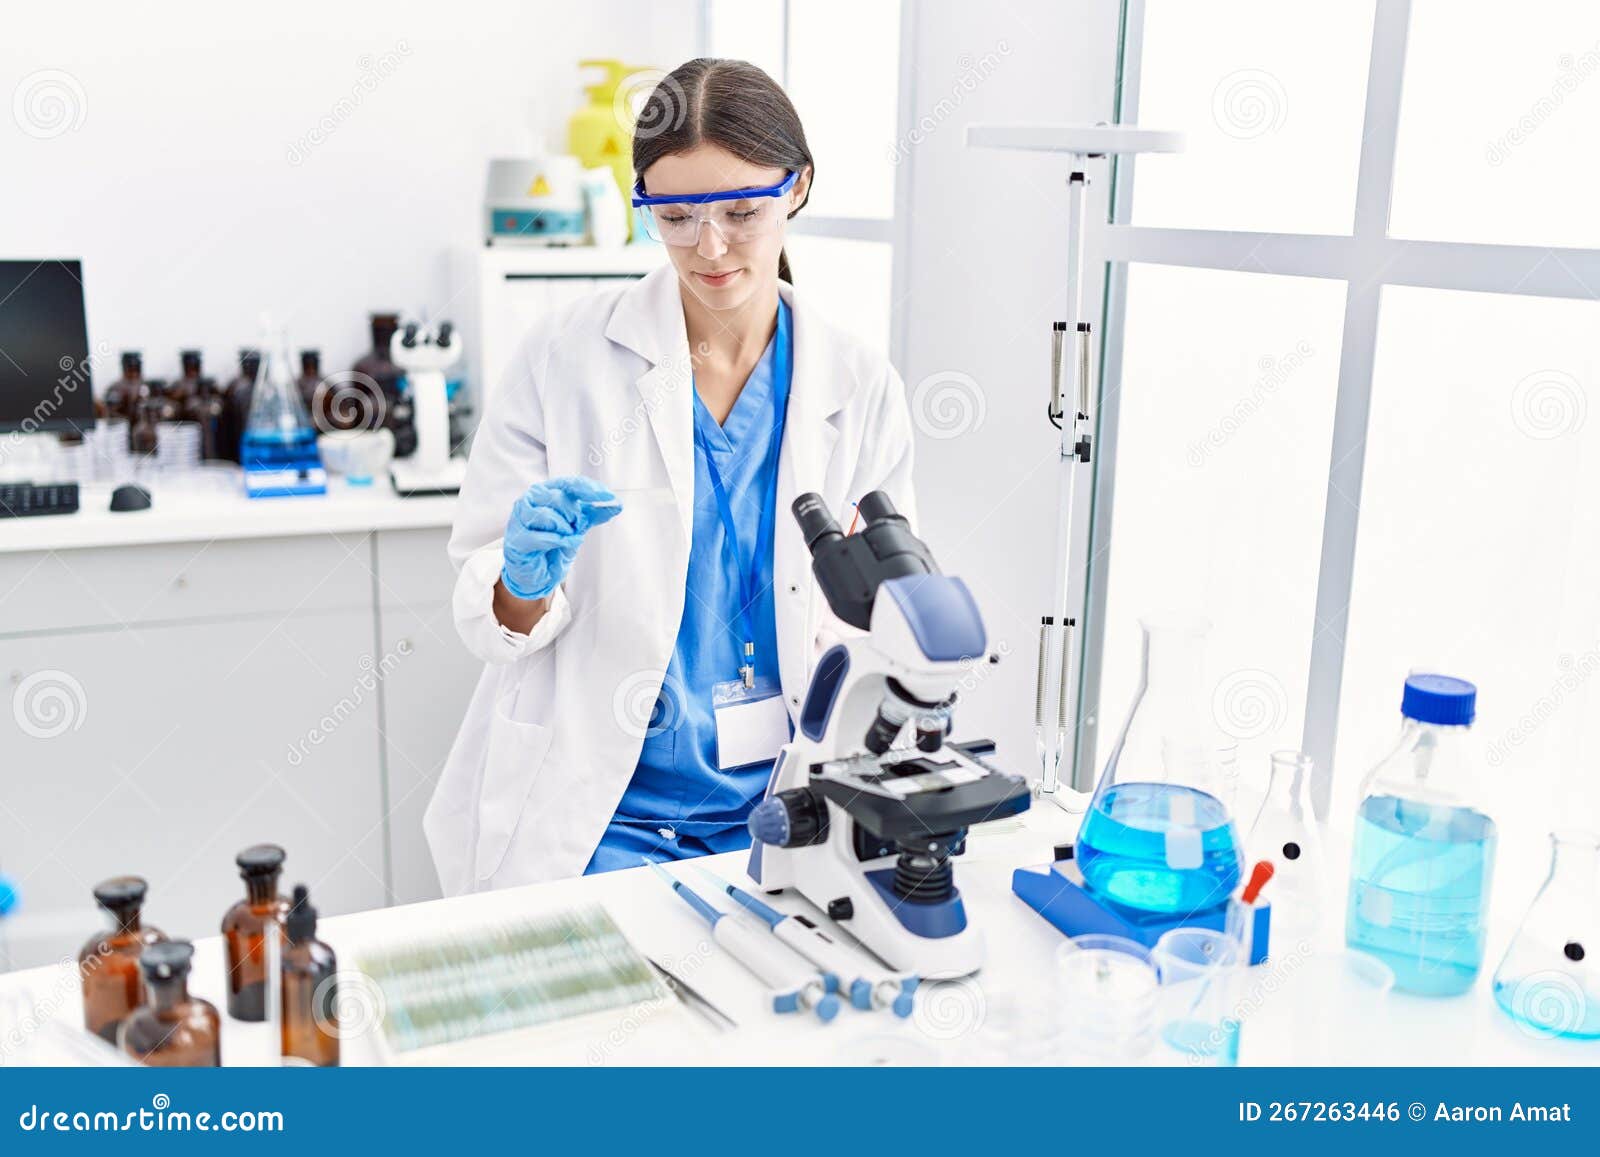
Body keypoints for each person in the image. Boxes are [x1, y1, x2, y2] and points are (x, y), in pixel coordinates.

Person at [424, 58, 917, 895]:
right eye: (676, 215)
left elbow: (887, 616)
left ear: (797, 188)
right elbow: (492, 618)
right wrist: (520, 581)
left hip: (784, 811)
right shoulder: (563, 358)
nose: (709, 246)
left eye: (741, 211)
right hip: (595, 817)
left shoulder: (859, 384)